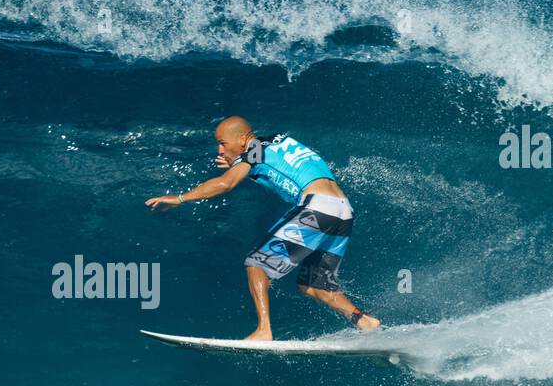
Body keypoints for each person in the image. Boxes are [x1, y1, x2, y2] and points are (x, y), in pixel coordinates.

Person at [145, 116, 380, 339]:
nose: (220, 150)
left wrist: (179, 199)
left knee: (256, 263)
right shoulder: (278, 139)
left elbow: (226, 183)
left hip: (318, 206)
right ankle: (363, 321)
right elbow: (272, 162)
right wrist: (239, 161)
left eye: (222, 143)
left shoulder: (254, 148)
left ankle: (264, 330)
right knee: (315, 285)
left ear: (242, 138)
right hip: (343, 210)